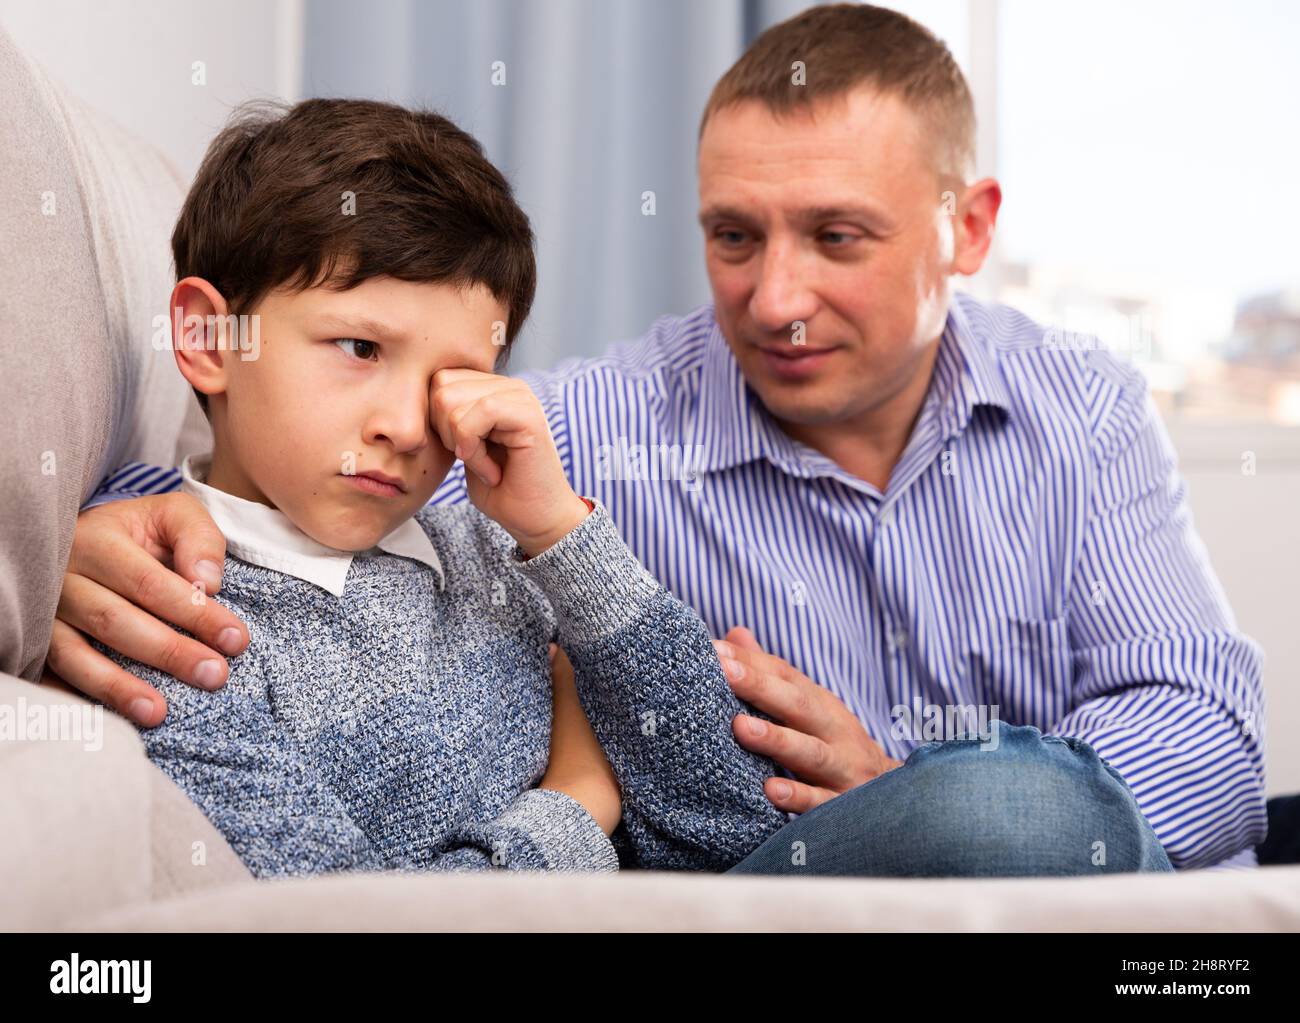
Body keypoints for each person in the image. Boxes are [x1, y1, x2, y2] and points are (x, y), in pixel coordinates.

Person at [52, 4, 1242, 875]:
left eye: (836, 237)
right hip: (741, 881)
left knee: (1025, 818)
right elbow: (285, 479)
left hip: (976, 851)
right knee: (1007, 822)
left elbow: (1203, 732)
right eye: (734, 237)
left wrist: (916, 800)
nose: (774, 298)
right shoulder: (566, 438)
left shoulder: (1079, 404)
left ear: (966, 228)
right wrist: (119, 509)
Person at [91, 95, 792, 878]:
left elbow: (745, 832)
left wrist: (563, 534)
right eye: (359, 346)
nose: (406, 425)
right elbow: (346, 920)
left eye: (453, 377)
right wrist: (579, 800)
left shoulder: (494, 553)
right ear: (210, 338)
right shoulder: (174, 624)